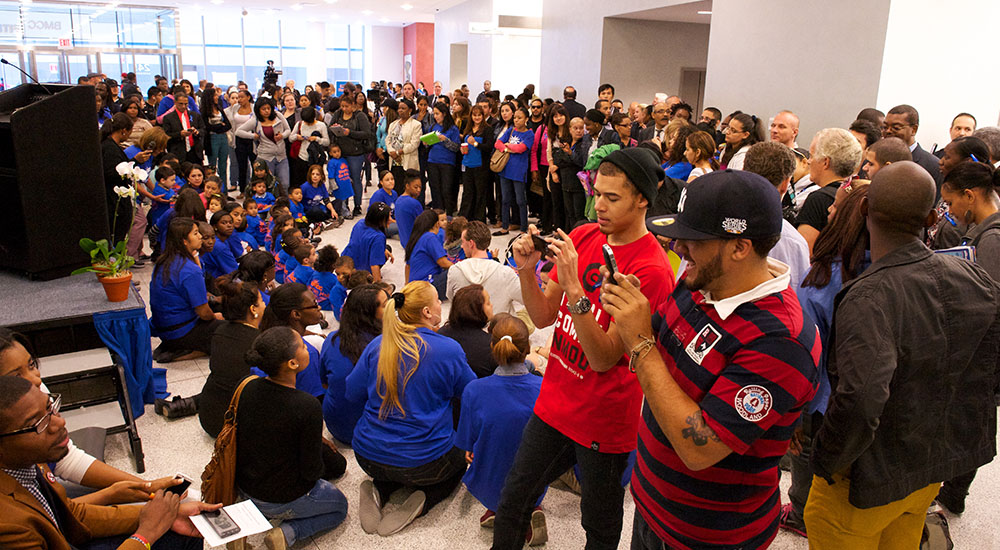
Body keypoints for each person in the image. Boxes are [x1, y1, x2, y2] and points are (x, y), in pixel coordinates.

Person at [601, 168, 819, 549]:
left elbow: (699, 448)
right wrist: (634, 309)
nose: (676, 248)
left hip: (710, 536)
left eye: (692, 239)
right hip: (654, 508)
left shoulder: (781, 341)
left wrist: (641, 343)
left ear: (739, 246)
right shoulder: (698, 283)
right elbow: (658, 348)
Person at [804, 162, 1000, 548]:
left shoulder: (868, 296)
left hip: (864, 481)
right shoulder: (974, 276)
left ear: (863, 211)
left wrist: (825, 460)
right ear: (931, 218)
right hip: (928, 469)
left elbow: (860, 399)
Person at [493, 148, 675, 550]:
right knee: (513, 500)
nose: (599, 206)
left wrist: (576, 290)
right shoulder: (584, 235)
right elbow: (541, 317)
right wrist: (526, 270)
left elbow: (604, 356)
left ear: (642, 199)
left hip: (604, 421)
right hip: (555, 402)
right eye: (597, 193)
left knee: (600, 526)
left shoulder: (653, 270)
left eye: (613, 198)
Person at [0, 376, 218, 550]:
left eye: (50, 409)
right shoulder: (9, 528)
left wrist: (164, 516)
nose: (59, 422)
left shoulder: (29, 463)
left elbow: (70, 514)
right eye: (38, 424)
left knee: (181, 529)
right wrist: (144, 535)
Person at [347, 281, 475, 536]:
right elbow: (473, 394)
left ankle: (380, 488)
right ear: (427, 312)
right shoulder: (447, 349)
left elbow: (351, 392)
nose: (441, 304)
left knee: (391, 464)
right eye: (438, 300)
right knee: (462, 458)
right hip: (425, 464)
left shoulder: (378, 344)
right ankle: (425, 499)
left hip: (366, 456)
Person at [779, 183, 870, 537]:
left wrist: (796, 415)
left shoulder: (825, 277)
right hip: (863, 400)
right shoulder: (883, 266)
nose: (828, 211)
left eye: (836, 207)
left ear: (850, 218)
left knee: (805, 451)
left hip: (821, 397)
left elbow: (806, 349)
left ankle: (799, 511)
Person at [0, 330, 184, 504]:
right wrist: (110, 496)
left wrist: (146, 487)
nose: (36, 379)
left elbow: (66, 461)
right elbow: (47, 517)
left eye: (32, 365)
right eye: (16, 376)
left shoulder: (36, 392)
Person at [236, 327, 348, 550]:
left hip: (244, 488)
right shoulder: (307, 405)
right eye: (304, 347)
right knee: (340, 507)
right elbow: (311, 472)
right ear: (292, 364)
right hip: (281, 497)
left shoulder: (247, 386)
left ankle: (242, 528)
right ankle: (288, 533)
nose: (308, 349)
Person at [455, 314, 546, 539]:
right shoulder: (544, 387)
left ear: (493, 348)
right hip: (534, 477)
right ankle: (531, 508)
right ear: (528, 349)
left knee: (482, 458)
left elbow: (467, 443)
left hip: (491, 477)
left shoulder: (474, 390)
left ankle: (499, 509)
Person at [320, 284, 389, 444]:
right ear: (369, 314)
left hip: (336, 425)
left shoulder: (332, 339)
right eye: (385, 305)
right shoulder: (386, 346)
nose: (391, 307)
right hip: (370, 433)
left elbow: (324, 383)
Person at [197, 276, 264, 437]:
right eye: (261, 302)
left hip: (208, 415)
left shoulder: (219, 330)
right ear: (253, 309)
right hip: (235, 426)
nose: (264, 305)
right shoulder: (260, 343)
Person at [150, 218, 223, 363]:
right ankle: (187, 351)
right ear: (184, 241)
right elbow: (203, 313)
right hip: (181, 330)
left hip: (164, 327)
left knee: (219, 305)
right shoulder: (189, 269)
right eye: (196, 233)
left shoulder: (164, 260)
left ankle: (171, 346)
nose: (200, 236)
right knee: (229, 330)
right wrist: (216, 317)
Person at [743, 141, 811, 289]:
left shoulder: (712, 221)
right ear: (786, 184)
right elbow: (797, 293)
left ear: (743, 170)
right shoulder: (793, 242)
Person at [796, 128, 863, 253]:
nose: (809, 162)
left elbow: (804, 254)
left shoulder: (818, 200)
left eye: (811, 156)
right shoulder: (855, 194)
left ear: (825, 162)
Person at [257, 284, 326, 400]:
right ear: (296, 314)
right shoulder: (305, 353)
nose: (319, 308)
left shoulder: (267, 337)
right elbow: (313, 399)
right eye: (315, 304)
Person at [446, 220, 521, 315]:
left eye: (463, 241)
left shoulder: (455, 270)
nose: (461, 245)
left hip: (467, 326)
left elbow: (452, 298)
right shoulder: (505, 273)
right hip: (498, 327)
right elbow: (526, 299)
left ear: (471, 243)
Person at [329, 93, 374, 216]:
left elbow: (366, 133)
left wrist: (350, 132)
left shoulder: (360, 116)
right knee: (342, 179)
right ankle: (344, 205)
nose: (344, 109)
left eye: (347, 106)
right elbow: (330, 128)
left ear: (353, 105)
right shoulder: (338, 114)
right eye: (342, 106)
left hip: (356, 153)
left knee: (355, 179)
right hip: (341, 153)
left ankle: (357, 205)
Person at [438, 284, 497, 378]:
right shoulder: (490, 345)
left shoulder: (440, 335)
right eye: (488, 303)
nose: (492, 305)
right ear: (477, 309)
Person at [236, 96, 291, 194]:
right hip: (265, 157)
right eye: (263, 109)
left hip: (281, 156)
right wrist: (252, 135)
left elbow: (288, 130)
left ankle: (284, 205)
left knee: (285, 184)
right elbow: (239, 131)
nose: (266, 111)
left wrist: (282, 135)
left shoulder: (278, 115)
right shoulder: (256, 120)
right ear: (258, 110)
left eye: (268, 108)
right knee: (268, 185)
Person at [494, 107, 535, 236]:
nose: (516, 120)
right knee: (505, 199)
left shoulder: (529, 134)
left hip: (519, 171)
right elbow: (498, 143)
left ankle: (523, 228)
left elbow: (521, 148)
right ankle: (505, 226)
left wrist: (508, 146)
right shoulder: (511, 130)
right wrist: (507, 149)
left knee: (520, 200)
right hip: (505, 169)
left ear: (526, 119)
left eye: (519, 118)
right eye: (515, 118)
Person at [882, 104, 942, 188]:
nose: (888, 131)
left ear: (914, 129)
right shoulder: (875, 158)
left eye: (896, 128)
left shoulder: (932, 166)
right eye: (885, 127)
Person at [405, 210, 453, 298]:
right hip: (427, 286)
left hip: (415, 288)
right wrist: (462, 267)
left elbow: (408, 266)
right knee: (458, 272)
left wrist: (407, 287)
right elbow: (443, 263)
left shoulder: (416, 238)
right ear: (437, 224)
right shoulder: (430, 237)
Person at [342, 202, 393, 282]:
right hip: (360, 274)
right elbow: (374, 265)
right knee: (387, 249)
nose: (391, 219)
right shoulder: (378, 236)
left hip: (345, 265)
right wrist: (378, 285)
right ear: (380, 218)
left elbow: (359, 243)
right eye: (389, 216)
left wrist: (382, 248)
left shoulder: (360, 223)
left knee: (386, 248)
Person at [427, 102, 462, 213]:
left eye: (437, 114)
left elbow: (456, 147)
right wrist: (426, 142)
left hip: (447, 162)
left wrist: (445, 140)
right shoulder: (433, 126)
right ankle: (438, 212)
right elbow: (428, 144)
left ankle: (449, 212)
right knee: (435, 188)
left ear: (444, 114)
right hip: (432, 160)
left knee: (446, 189)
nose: (435, 116)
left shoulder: (453, 129)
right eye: (434, 114)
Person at [386, 98, 423, 197]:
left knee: (408, 189)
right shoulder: (393, 124)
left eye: (403, 108)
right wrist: (392, 152)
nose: (400, 111)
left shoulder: (416, 125)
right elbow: (388, 140)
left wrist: (398, 152)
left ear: (410, 110)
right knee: (395, 189)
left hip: (408, 162)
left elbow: (414, 144)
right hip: (394, 162)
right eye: (399, 108)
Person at [288, 104, 329, 192]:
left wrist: (317, 139)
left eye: (308, 121)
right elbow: (290, 138)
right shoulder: (299, 124)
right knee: (300, 183)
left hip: (315, 159)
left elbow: (327, 141)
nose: (307, 123)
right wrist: (297, 137)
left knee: (314, 184)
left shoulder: (321, 125)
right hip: (301, 158)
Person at [199, 84, 232, 192]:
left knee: (224, 165)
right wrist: (220, 126)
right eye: (215, 95)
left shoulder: (219, 108)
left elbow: (228, 125)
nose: (217, 97)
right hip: (212, 139)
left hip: (223, 138)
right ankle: (212, 191)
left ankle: (224, 191)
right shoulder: (204, 112)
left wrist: (219, 127)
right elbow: (207, 127)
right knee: (212, 166)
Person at [161, 93, 205, 164]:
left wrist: (197, 132)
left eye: (186, 104)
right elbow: (166, 135)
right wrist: (179, 134)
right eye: (180, 104)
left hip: (195, 152)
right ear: (175, 103)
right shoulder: (168, 118)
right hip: (178, 152)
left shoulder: (195, 116)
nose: (183, 106)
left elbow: (203, 130)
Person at [227, 89, 256, 194]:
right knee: (241, 165)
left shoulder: (254, 108)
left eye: (241, 97)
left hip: (252, 139)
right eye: (238, 97)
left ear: (248, 97)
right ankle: (243, 190)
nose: (239, 100)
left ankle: (255, 189)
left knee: (255, 165)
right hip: (239, 139)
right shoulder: (235, 108)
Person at [201, 211, 239, 279]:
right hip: (215, 281)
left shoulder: (224, 240)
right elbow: (234, 272)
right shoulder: (218, 246)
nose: (229, 225)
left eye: (231, 222)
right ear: (215, 226)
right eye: (224, 223)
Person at [395, 170, 424, 246]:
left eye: (420, 187)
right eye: (415, 187)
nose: (419, 190)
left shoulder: (398, 200)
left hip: (405, 243)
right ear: (407, 186)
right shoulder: (414, 204)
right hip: (416, 244)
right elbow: (424, 225)